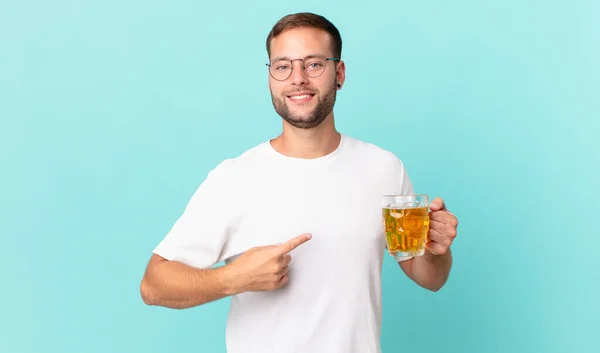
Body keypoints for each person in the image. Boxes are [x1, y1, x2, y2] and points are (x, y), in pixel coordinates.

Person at [140, 12, 459, 353]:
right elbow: (153, 285)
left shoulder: (384, 169)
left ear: (339, 73)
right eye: (282, 66)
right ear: (270, 78)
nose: (298, 79)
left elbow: (429, 277)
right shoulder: (234, 179)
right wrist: (233, 279)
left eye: (313, 64)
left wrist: (436, 251)